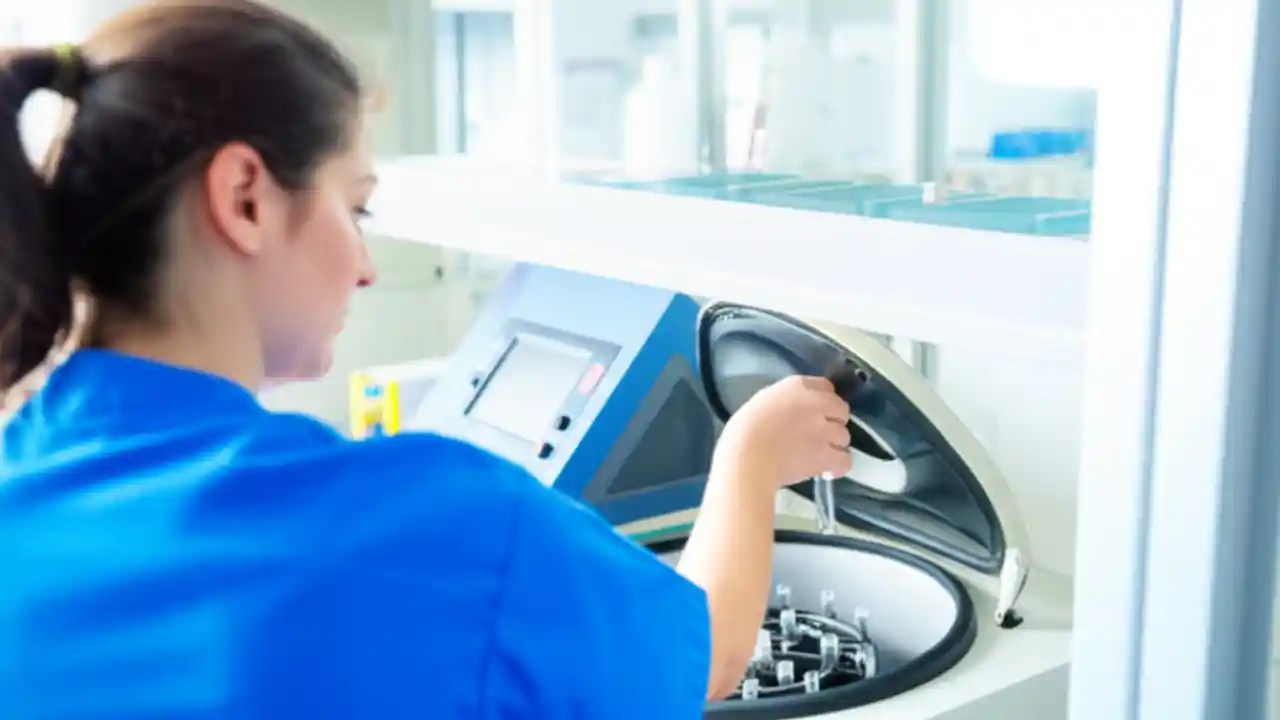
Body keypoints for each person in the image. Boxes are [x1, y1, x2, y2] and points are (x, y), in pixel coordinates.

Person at [0, 1, 853, 717]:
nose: (366, 267)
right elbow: (708, 654)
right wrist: (748, 459)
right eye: (356, 207)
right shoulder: (440, 526)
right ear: (245, 199)